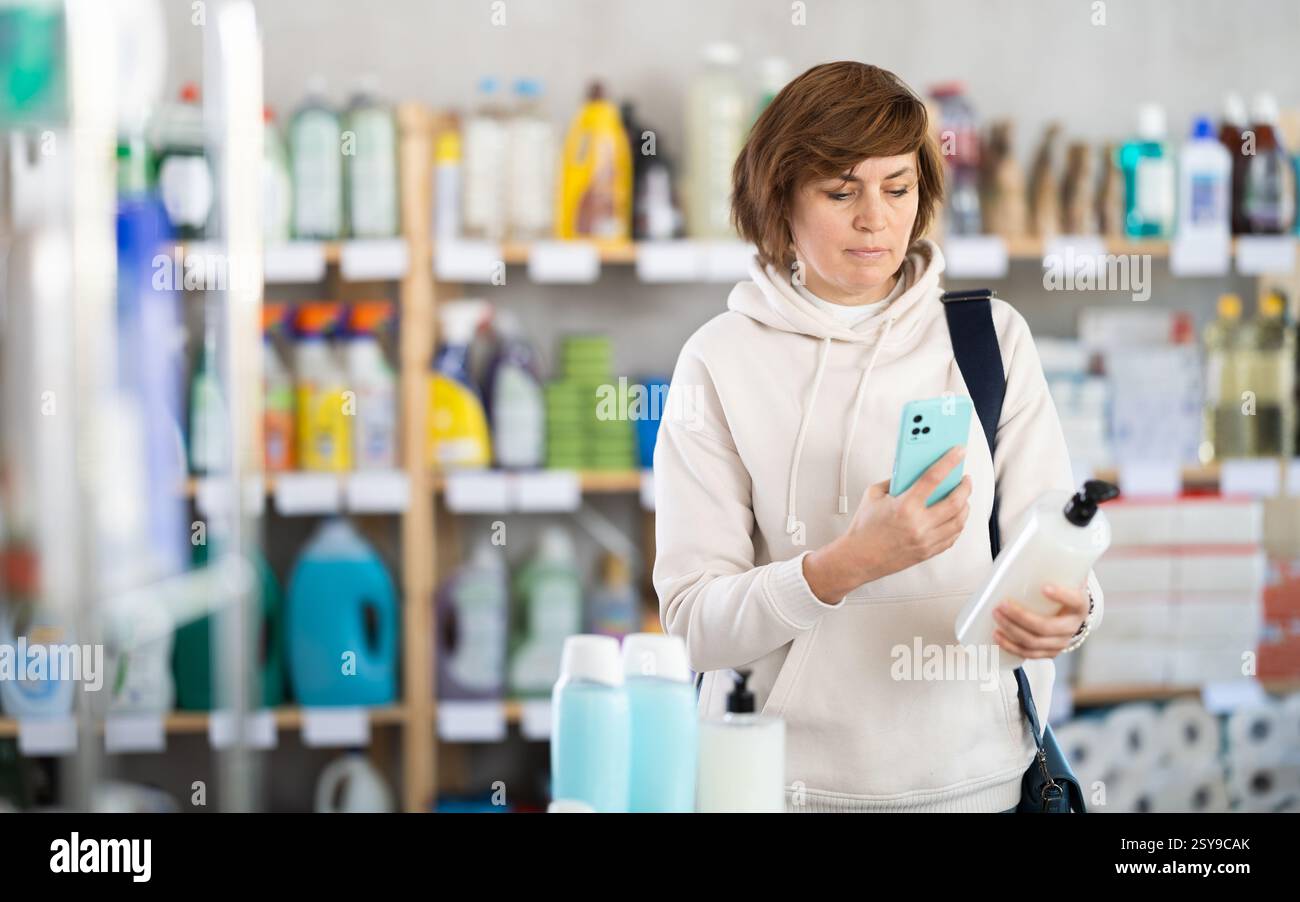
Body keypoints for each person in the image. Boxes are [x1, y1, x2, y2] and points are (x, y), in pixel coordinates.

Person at [652, 61, 1102, 813]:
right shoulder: (718, 361)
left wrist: (1071, 612)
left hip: (979, 786)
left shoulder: (990, 341)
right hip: (778, 790)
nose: (876, 218)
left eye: (898, 188)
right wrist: (839, 568)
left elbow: (1055, 547)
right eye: (841, 191)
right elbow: (695, 625)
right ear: (780, 200)